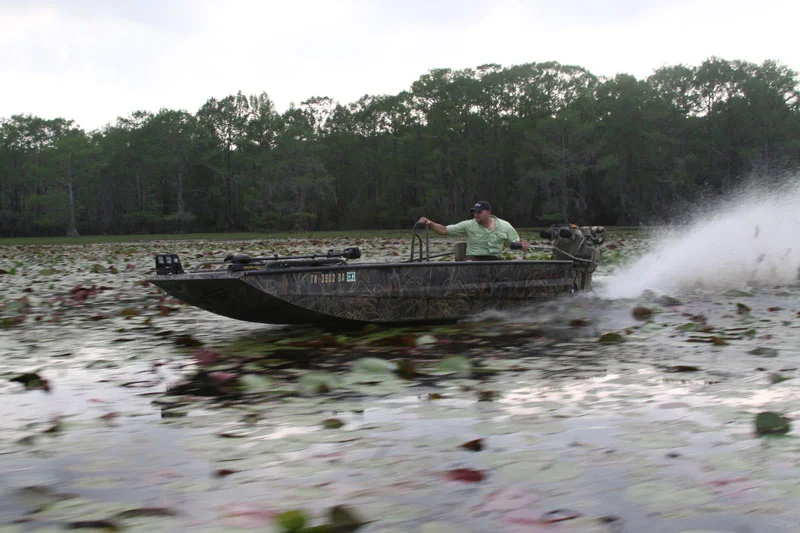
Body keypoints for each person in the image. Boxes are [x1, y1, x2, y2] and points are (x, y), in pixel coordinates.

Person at [417, 201, 528, 260]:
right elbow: (444, 230)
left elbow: (513, 243)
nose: (476, 214)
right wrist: (429, 223)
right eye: (474, 212)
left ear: (488, 213)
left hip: (495, 260)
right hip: (474, 260)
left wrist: (521, 245)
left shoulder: (505, 225)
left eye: (479, 212)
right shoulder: (468, 225)